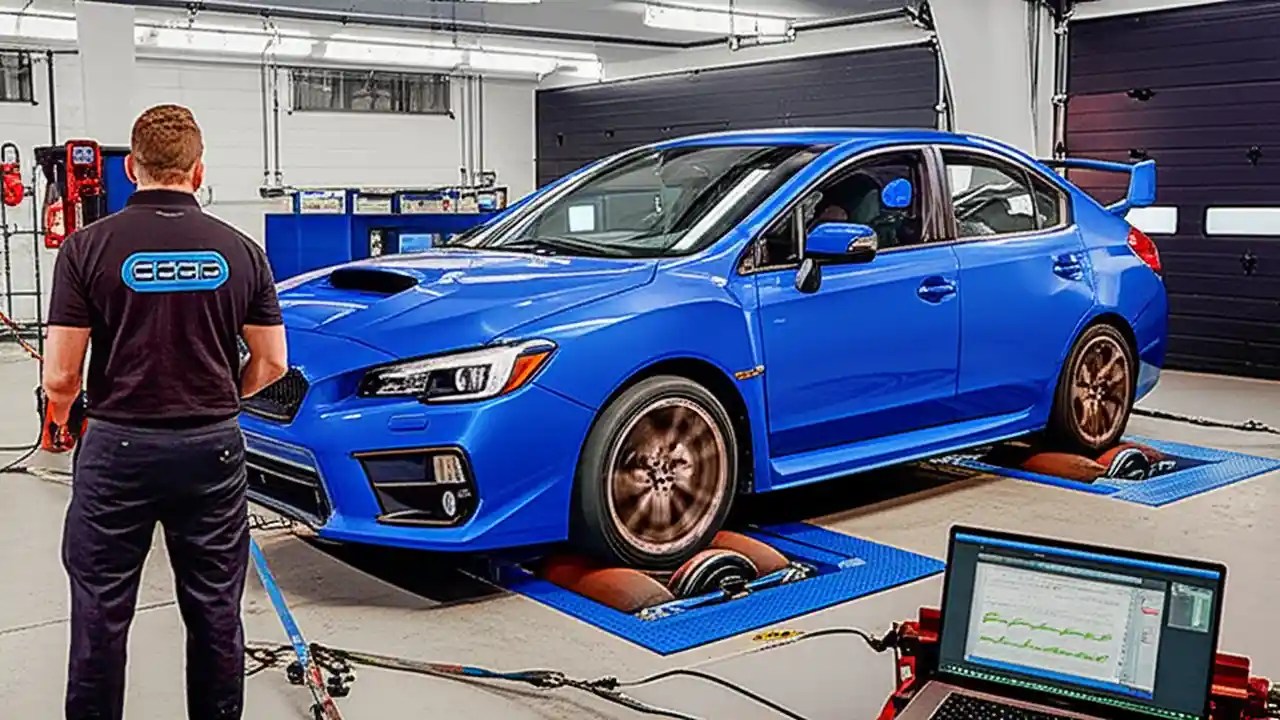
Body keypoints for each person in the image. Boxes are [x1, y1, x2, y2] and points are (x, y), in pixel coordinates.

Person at [42, 104, 288, 720]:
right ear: (198, 171)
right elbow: (274, 363)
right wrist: (223, 398)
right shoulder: (242, 251)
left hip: (118, 449)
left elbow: (61, 375)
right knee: (214, 611)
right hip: (213, 449)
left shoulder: (85, 248)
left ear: (132, 167)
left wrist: (62, 421)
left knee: (100, 611)